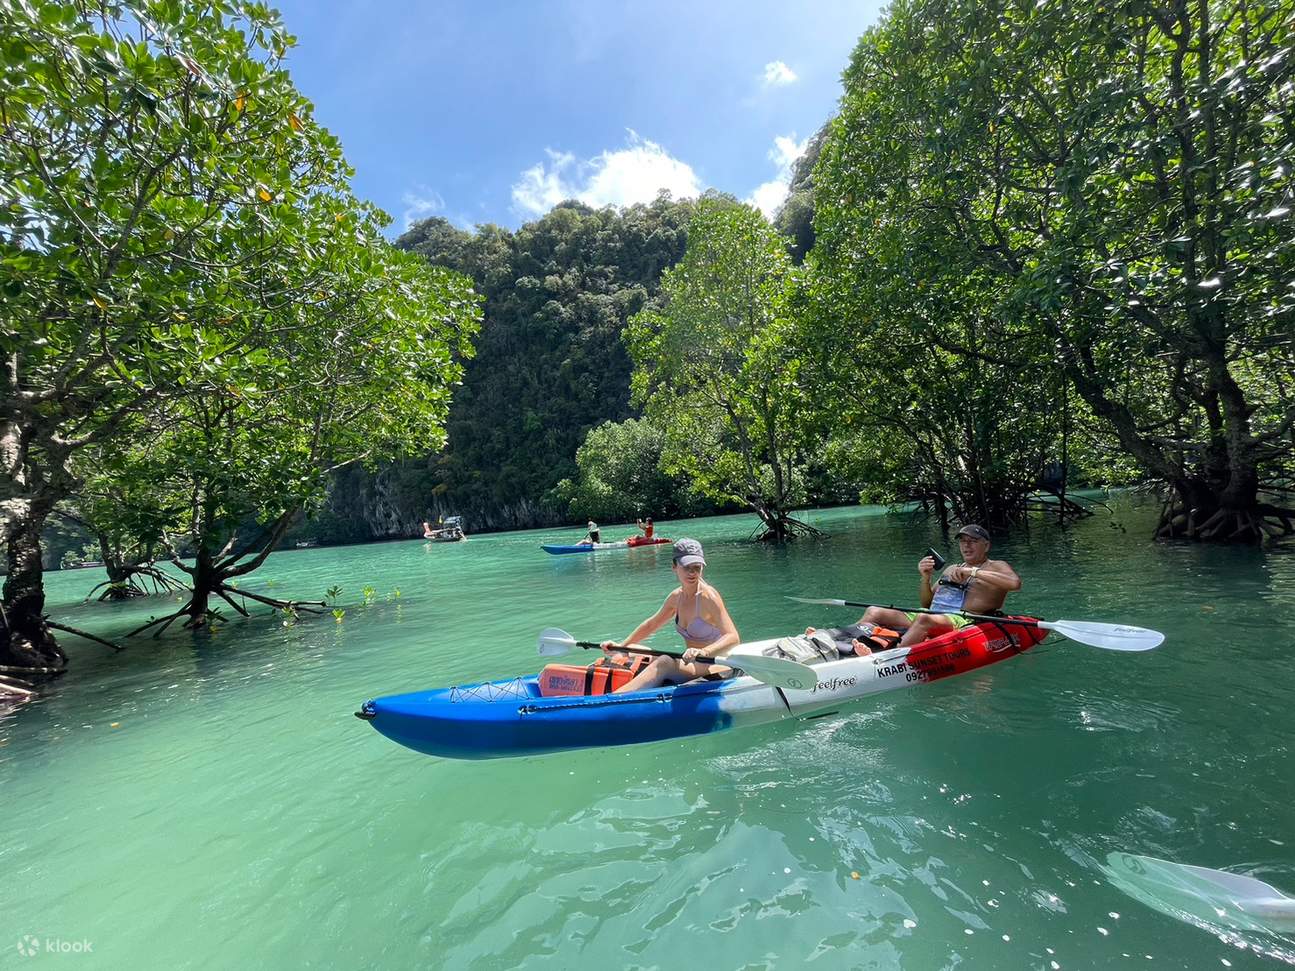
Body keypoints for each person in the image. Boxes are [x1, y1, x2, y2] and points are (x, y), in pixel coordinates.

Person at [600, 538, 740, 692]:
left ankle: (613, 698)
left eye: (697, 567)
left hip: (715, 665)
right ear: (674, 566)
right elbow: (651, 625)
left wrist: (703, 652)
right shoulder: (676, 597)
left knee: (665, 662)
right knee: (631, 649)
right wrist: (621, 646)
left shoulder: (709, 597)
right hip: (690, 663)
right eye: (686, 567)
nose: (692, 573)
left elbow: (733, 637)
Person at [859, 525, 1020, 647]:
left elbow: (1015, 583)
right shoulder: (951, 569)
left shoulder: (996, 566)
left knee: (923, 618)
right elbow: (927, 604)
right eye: (963, 541)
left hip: (964, 620)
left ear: (986, 546)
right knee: (874, 611)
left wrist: (973, 571)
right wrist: (926, 578)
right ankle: (854, 644)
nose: (966, 545)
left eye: (973, 541)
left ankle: (888, 657)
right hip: (934, 615)